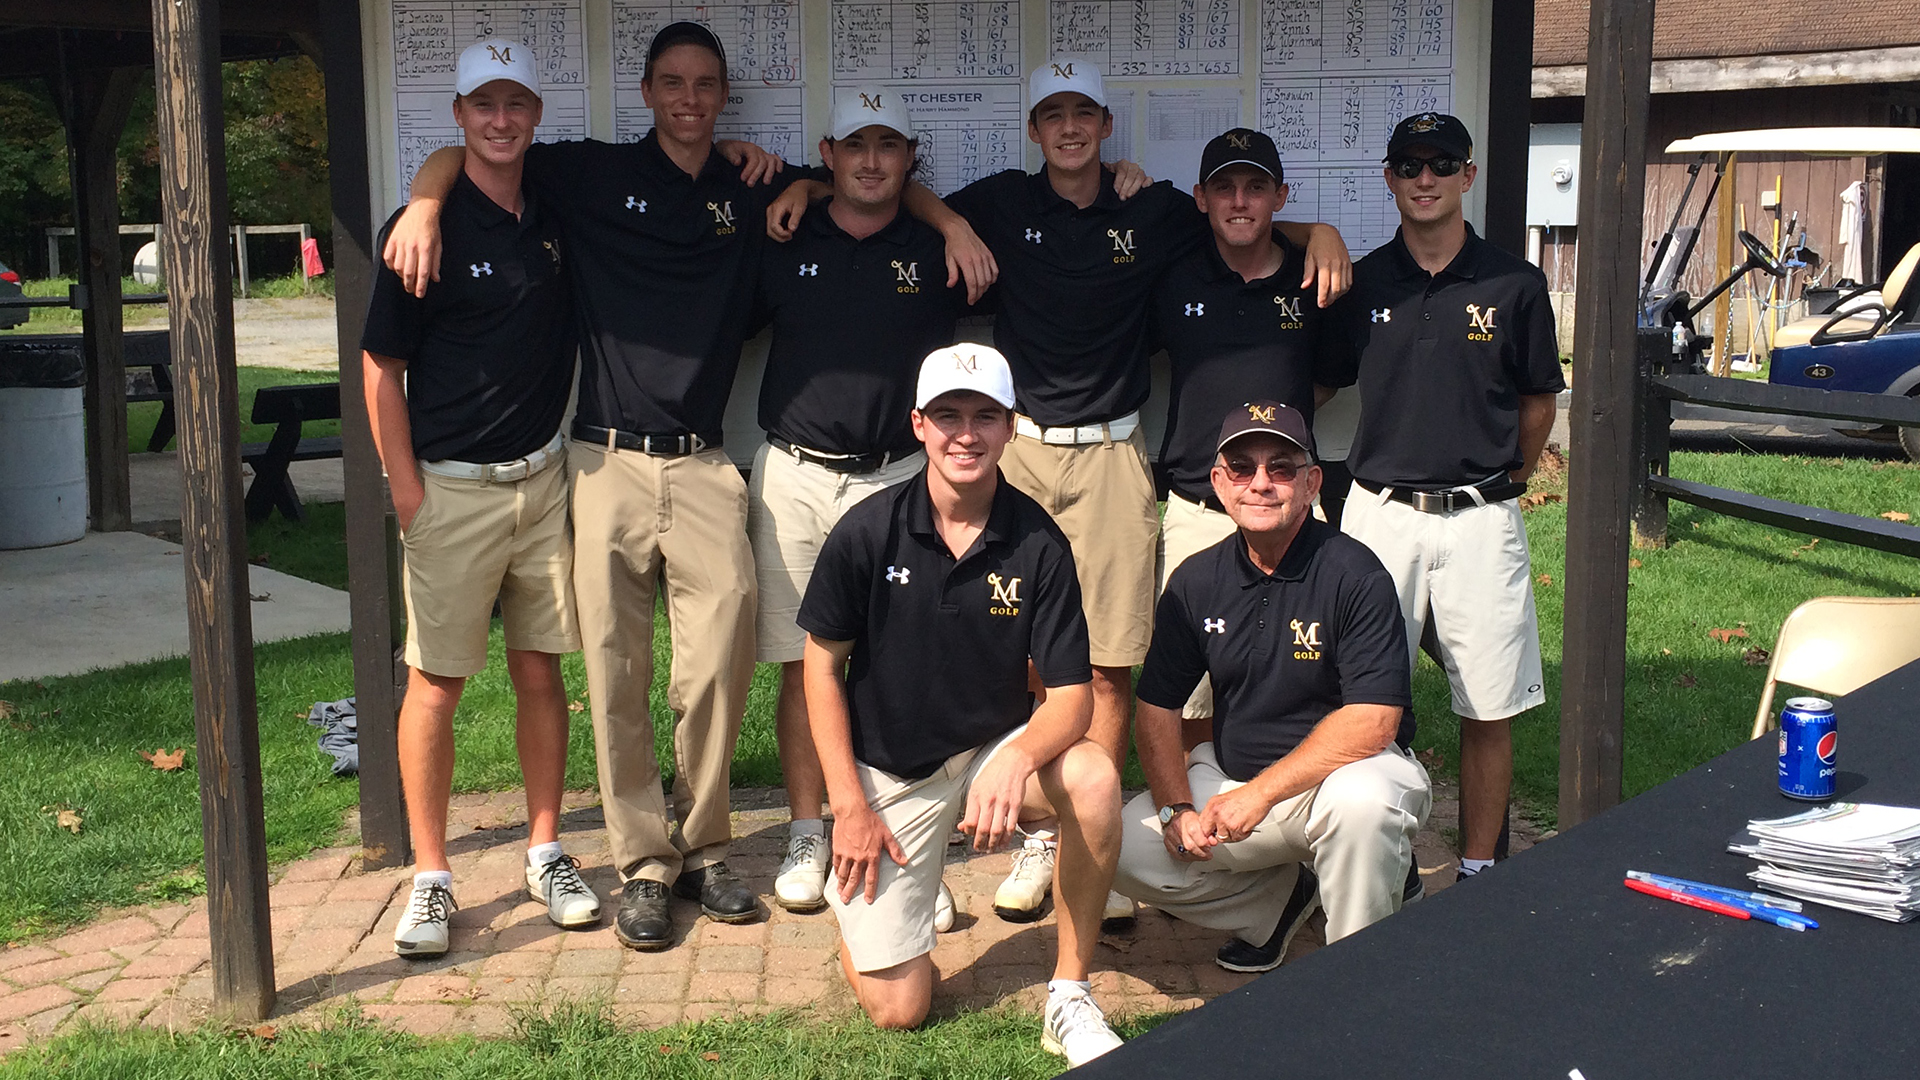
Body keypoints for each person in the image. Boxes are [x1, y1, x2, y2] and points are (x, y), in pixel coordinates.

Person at [774, 58, 1353, 928]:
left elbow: (1239, 221)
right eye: (1054, 115)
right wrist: (842, 194)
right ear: (1035, 128)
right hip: (1022, 449)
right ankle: (1028, 820)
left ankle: (1075, 841)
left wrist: (1320, 233)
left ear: (1106, 126)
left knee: (1112, 659)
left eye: (1085, 113)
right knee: (1027, 654)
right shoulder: (1003, 201)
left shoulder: (1152, 210)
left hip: (1117, 452)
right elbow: (907, 195)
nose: (1071, 128)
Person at [380, 23, 829, 951]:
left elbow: (858, 190)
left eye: (706, 84)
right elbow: (469, 151)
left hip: (706, 462)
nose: (689, 99)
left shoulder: (749, 190)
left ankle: (704, 848)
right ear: (647, 91)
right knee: (615, 671)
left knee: (717, 662)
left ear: (724, 96)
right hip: (602, 461)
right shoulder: (581, 176)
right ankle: (645, 866)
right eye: (672, 82)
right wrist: (423, 202)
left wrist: (805, 181)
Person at [798, 344, 1125, 1065]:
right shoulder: (867, 529)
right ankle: (873, 912)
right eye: (947, 415)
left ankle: (1069, 996)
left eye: (985, 416)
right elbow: (819, 670)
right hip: (890, 771)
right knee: (899, 1010)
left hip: (991, 755)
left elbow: (1072, 697)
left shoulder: (1039, 541)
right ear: (918, 425)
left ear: (1012, 427)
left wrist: (1020, 761)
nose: (965, 434)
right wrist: (848, 806)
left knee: (1095, 777)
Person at [361, 39, 597, 956]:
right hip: (450, 489)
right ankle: (431, 875)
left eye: (518, 104)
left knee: (542, 670)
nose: (502, 121)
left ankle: (545, 849)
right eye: (483, 105)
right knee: (436, 683)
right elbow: (382, 369)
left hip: (539, 480)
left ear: (538, 114)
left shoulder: (553, 209)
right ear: (458, 115)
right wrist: (407, 492)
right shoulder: (422, 225)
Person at [746, 88, 971, 914]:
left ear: (910, 158)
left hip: (900, 477)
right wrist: (798, 189)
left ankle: (908, 843)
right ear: (827, 154)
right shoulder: (785, 231)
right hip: (794, 474)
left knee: (905, 666)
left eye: (888, 145)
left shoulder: (939, 244)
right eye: (854, 145)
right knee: (804, 663)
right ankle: (810, 829)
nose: (871, 160)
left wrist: (948, 222)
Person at [1113, 401, 1431, 972]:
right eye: (1242, 467)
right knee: (1114, 847)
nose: (1260, 483)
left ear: (1312, 484)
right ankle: (1280, 903)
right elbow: (1157, 706)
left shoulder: (1355, 574)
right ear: (1218, 482)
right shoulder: (1195, 580)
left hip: (1342, 779)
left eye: (1281, 468)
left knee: (1363, 807)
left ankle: (1357, 979)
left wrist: (1259, 795)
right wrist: (1174, 809)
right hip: (1233, 782)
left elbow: (1374, 721)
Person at [1338, 113, 1563, 882]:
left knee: (1487, 707)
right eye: (1409, 165)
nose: (1424, 179)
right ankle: (1384, 863)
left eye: (1441, 165)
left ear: (1468, 176)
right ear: (1390, 176)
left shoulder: (1514, 282)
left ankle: (1479, 874)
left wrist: (1512, 481)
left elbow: (1539, 401)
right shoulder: (1363, 282)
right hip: (1378, 514)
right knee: (1369, 707)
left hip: (1478, 517)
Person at [1149, 128, 1354, 748]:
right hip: (1197, 510)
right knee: (1188, 697)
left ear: (1281, 197)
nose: (1240, 201)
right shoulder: (1172, 277)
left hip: (1291, 509)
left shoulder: (1315, 280)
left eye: (1256, 188)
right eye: (1225, 188)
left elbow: (1327, 382)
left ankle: (1283, 827)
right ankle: (1195, 817)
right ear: (1201, 198)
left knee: (1299, 677)